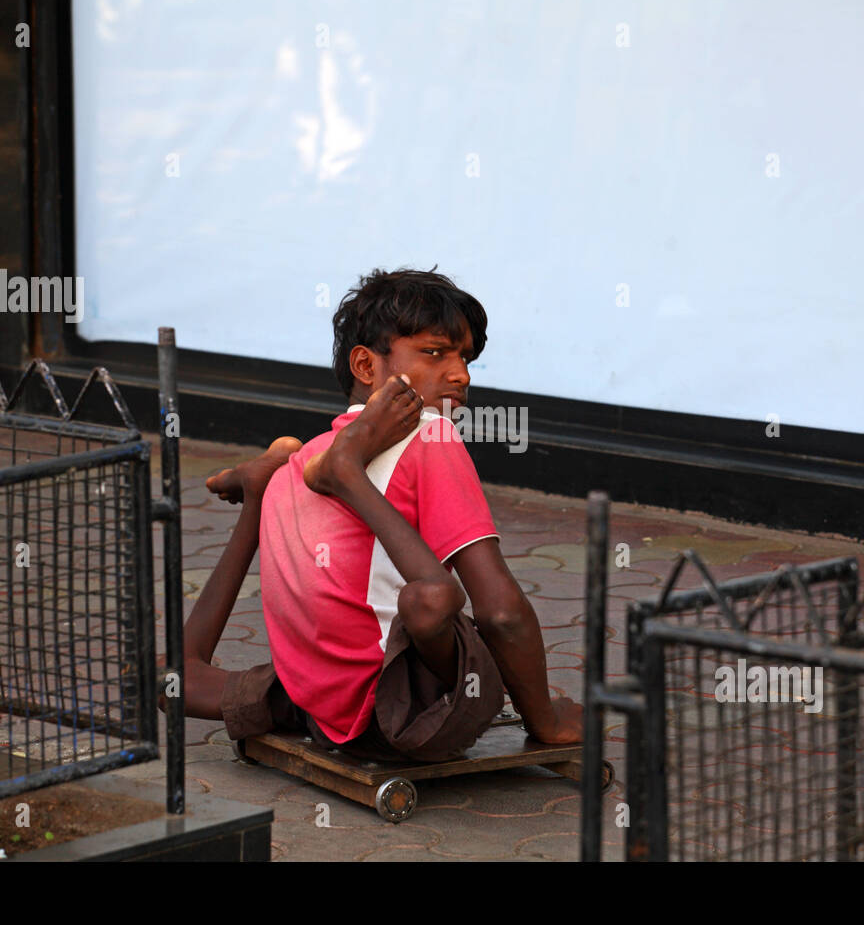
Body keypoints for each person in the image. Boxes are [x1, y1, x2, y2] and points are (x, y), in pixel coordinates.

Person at [172, 267, 583, 761]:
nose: (461, 375)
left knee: (174, 679)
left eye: (465, 358)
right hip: (403, 719)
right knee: (435, 607)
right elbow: (500, 613)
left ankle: (253, 487)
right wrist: (547, 721)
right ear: (367, 367)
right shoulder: (431, 436)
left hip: (319, 708)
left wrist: (257, 502)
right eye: (435, 353)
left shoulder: (301, 463)